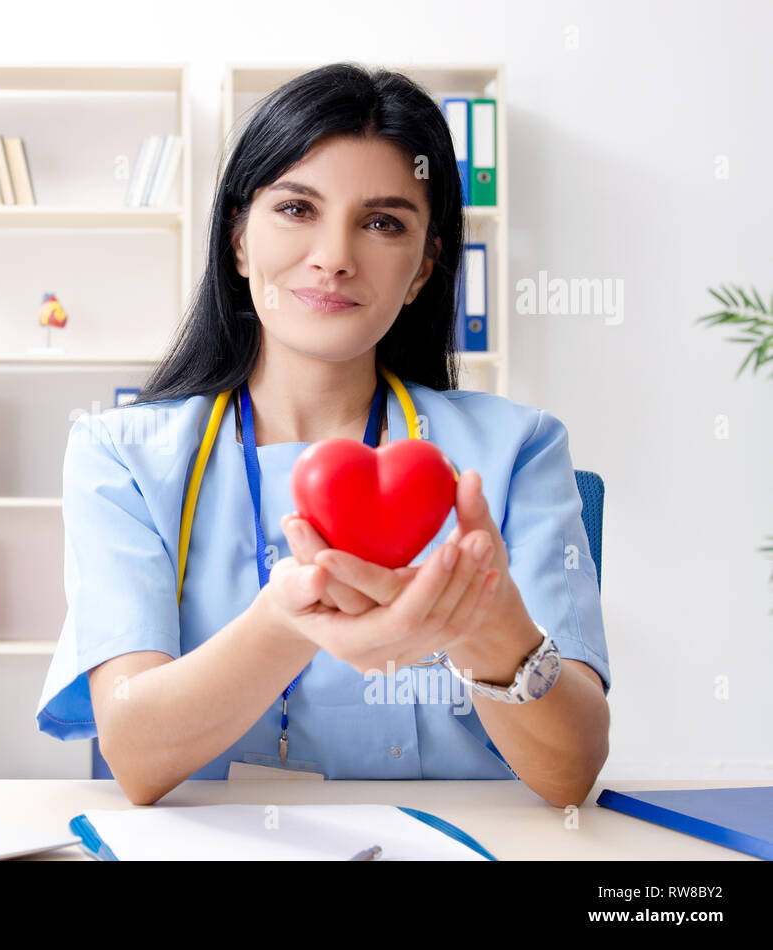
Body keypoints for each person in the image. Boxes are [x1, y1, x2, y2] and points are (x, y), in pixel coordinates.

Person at [34, 63, 610, 807]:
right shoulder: (122, 455)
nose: (335, 255)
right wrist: (287, 622)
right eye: (298, 209)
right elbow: (136, 759)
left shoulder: (519, 450)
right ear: (239, 242)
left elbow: (570, 776)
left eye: (383, 223)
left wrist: (491, 629)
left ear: (422, 270)